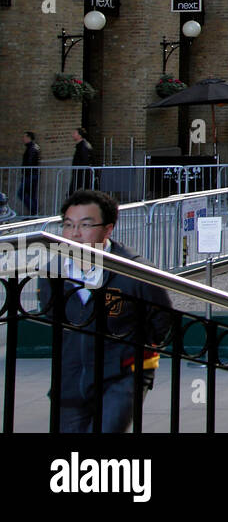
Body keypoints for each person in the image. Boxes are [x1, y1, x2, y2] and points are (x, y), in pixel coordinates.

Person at [38, 190, 173, 432]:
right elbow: (51, 316)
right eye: (68, 225)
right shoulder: (52, 271)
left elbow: (161, 319)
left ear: (108, 229)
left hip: (122, 377)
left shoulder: (134, 270)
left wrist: (136, 358)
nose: (75, 234)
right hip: (70, 379)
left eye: (85, 225)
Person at [19, 131, 41, 217]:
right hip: (30, 174)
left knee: (21, 193)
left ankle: (34, 211)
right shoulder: (31, 147)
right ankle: (33, 213)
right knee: (31, 195)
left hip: (30, 175)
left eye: (24, 137)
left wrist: (26, 172)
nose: (23, 139)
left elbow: (30, 162)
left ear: (29, 138)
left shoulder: (32, 148)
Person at [70, 128, 94, 196]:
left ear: (79, 136)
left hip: (81, 176)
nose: (73, 135)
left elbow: (85, 161)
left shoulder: (84, 146)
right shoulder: (81, 146)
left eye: (75, 133)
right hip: (78, 175)